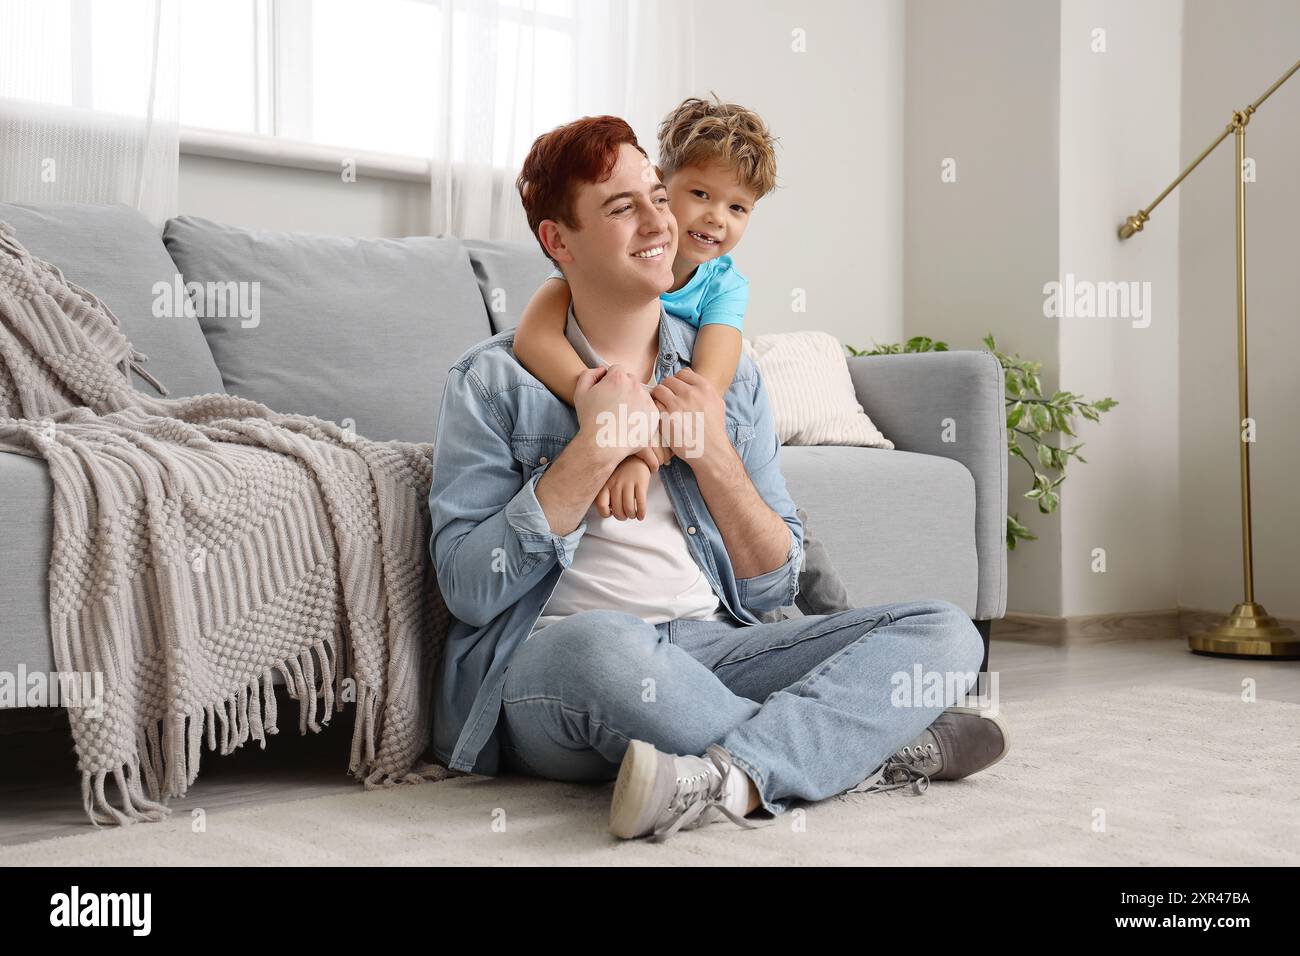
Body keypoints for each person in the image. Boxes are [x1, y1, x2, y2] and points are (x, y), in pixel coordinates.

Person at [427, 115, 1008, 843]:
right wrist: (596, 446)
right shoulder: (490, 382)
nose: (658, 222)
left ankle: (728, 777)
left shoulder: (728, 380)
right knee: (603, 644)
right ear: (558, 241)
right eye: (621, 207)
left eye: (655, 197)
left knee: (946, 632)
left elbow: (771, 588)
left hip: (713, 650)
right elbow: (469, 592)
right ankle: (864, 750)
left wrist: (715, 456)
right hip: (562, 663)